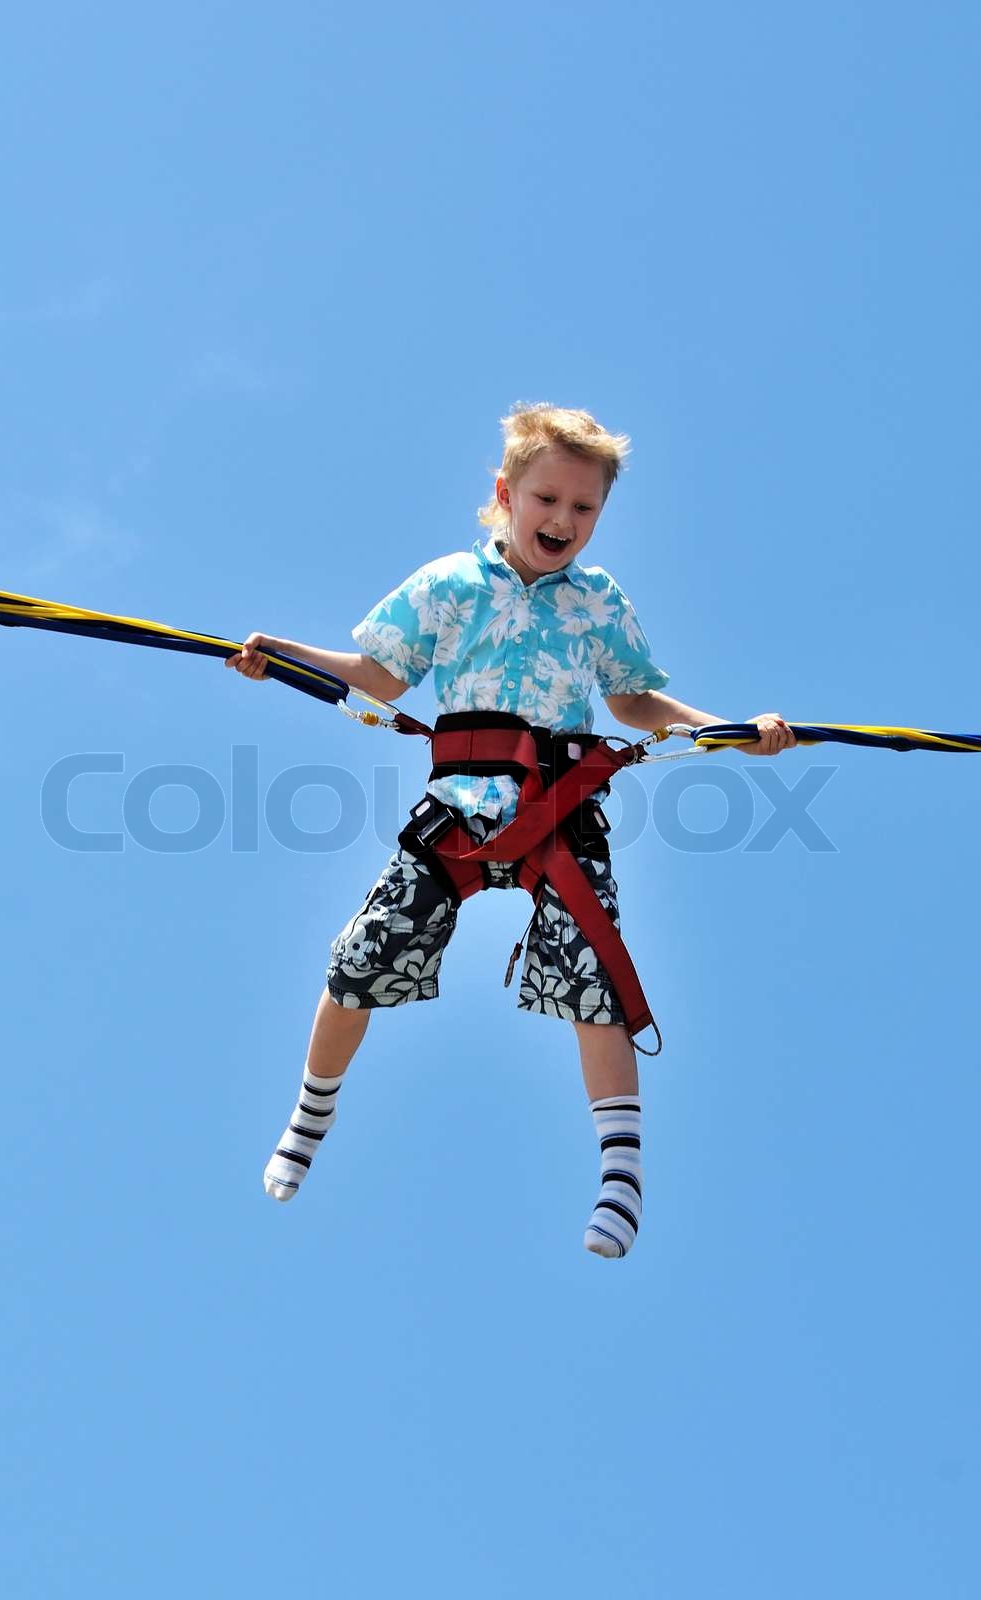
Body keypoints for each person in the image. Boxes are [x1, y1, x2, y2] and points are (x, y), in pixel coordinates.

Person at [226, 404, 795, 1258]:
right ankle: (310, 1113)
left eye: (584, 509)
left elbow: (633, 699)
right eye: (547, 500)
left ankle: (620, 1173)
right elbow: (379, 675)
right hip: (459, 808)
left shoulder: (598, 602)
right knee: (364, 959)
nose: (563, 521)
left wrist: (730, 728)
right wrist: (284, 657)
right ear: (505, 493)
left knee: (594, 972)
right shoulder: (449, 584)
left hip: (561, 806)